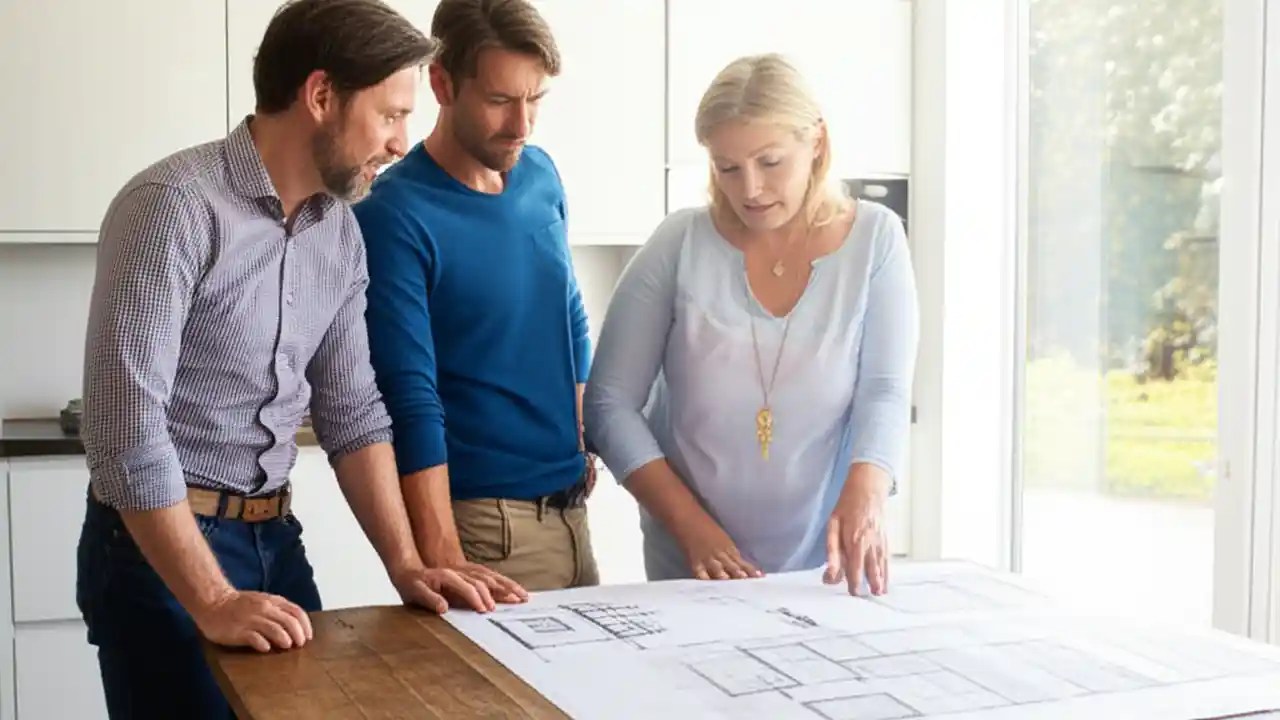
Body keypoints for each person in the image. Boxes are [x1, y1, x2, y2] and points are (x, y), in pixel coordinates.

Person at [74, 2, 501, 718]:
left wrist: (408, 565)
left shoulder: (339, 232)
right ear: (322, 96)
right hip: (161, 552)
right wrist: (211, 598)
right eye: (391, 115)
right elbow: (124, 434)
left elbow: (354, 412)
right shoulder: (173, 206)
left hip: (274, 537)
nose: (402, 142)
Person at [583, 53, 919, 596]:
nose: (751, 189)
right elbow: (607, 406)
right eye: (728, 168)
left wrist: (868, 489)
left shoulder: (876, 240)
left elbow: (884, 389)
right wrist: (692, 529)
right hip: (690, 568)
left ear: (816, 142)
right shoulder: (678, 244)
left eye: (770, 161)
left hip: (822, 570)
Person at [353, 0, 599, 595]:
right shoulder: (394, 215)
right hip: (488, 530)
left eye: (534, 99)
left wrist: (584, 432)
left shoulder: (541, 176)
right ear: (441, 83)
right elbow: (409, 396)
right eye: (498, 101)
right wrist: (440, 554)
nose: (522, 124)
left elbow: (566, 312)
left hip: (572, 513)